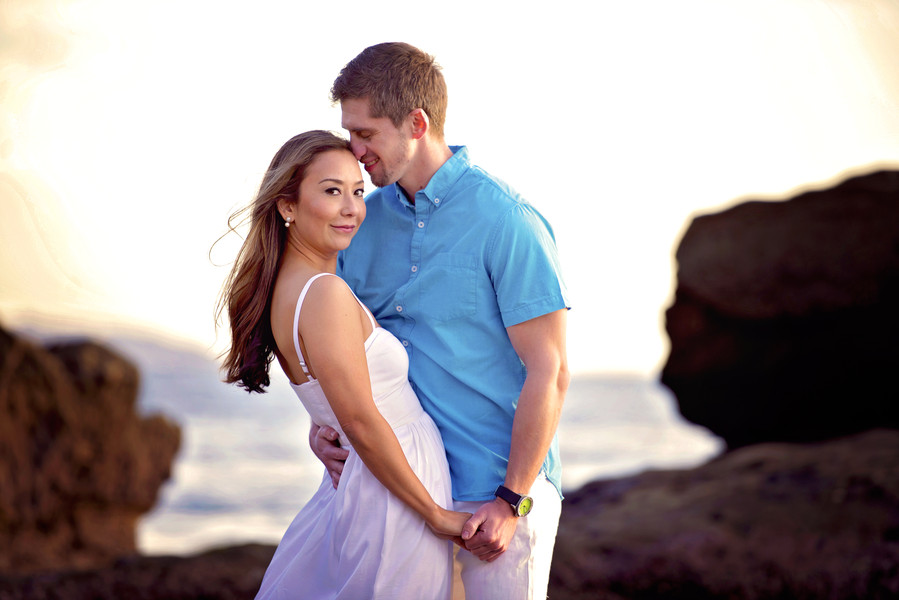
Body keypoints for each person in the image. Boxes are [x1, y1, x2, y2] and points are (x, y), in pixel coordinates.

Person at [310, 43, 571, 599]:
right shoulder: (361, 222)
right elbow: (347, 351)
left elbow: (549, 371)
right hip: (402, 494)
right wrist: (321, 425)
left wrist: (510, 500)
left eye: (366, 134)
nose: (354, 152)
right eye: (349, 134)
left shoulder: (506, 220)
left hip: (495, 499)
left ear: (416, 123)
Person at [217, 130, 470, 599]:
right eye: (332, 191)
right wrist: (436, 515)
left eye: (358, 191)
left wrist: (321, 431)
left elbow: (335, 408)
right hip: (396, 497)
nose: (353, 208)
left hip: (371, 485)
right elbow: (358, 418)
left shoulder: (294, 289)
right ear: (287, 205)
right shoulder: (324, 294)